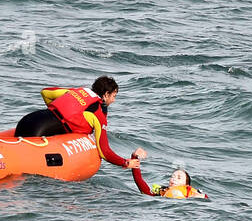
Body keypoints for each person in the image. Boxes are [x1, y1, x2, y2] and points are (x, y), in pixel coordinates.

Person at [14, 75, 145, 168]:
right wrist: (126, 163)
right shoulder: (97, 112)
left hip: (27, 120)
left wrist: (61, 112)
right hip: (36, 132)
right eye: (114, 96)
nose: (114, 101)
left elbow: (46, 92)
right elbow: (104, 151)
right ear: (105, 94)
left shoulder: (78, 91)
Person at [129, 158, 207, 199]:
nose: (173, 179)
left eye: (179, 178)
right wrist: (135, 160)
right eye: (172, 176)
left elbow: (204, 198)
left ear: (186, 184)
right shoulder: (160, 194)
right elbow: (139, 181)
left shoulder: (190, 193)